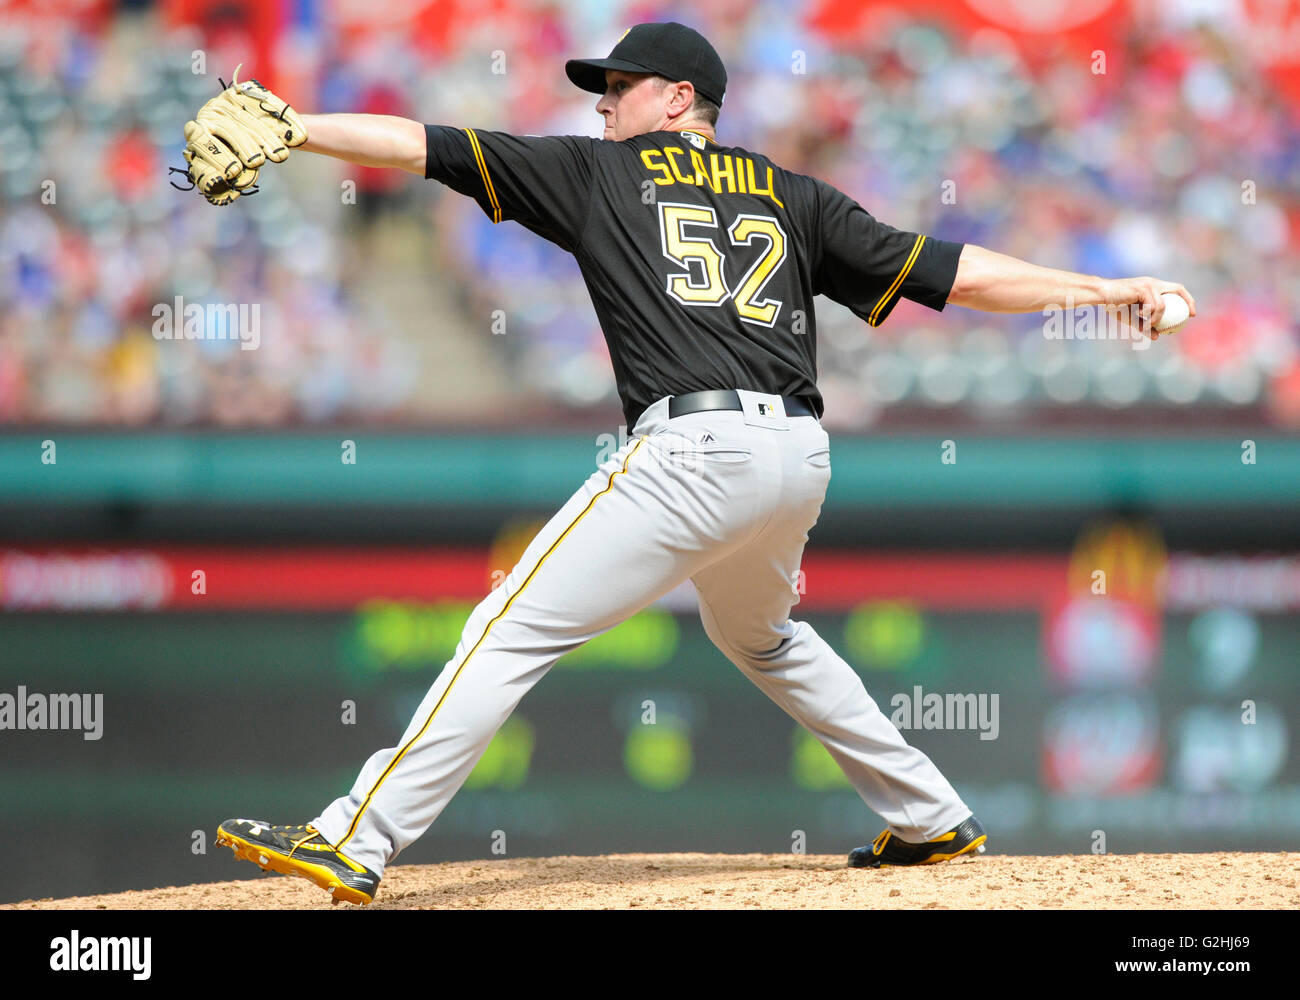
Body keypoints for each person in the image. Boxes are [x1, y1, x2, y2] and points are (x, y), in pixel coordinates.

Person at [207, 21, 1194, 905]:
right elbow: (953, 270)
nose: (602, 101)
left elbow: (424, 146)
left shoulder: (598, 174)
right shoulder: (791, 193)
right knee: (763, 638)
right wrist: (1102, 289)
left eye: (620, 85)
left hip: (691, 450)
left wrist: (295, 124)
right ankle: (931, 815)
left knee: (504, 631)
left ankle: (352, 839)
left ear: (678, 100)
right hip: (797, 456)